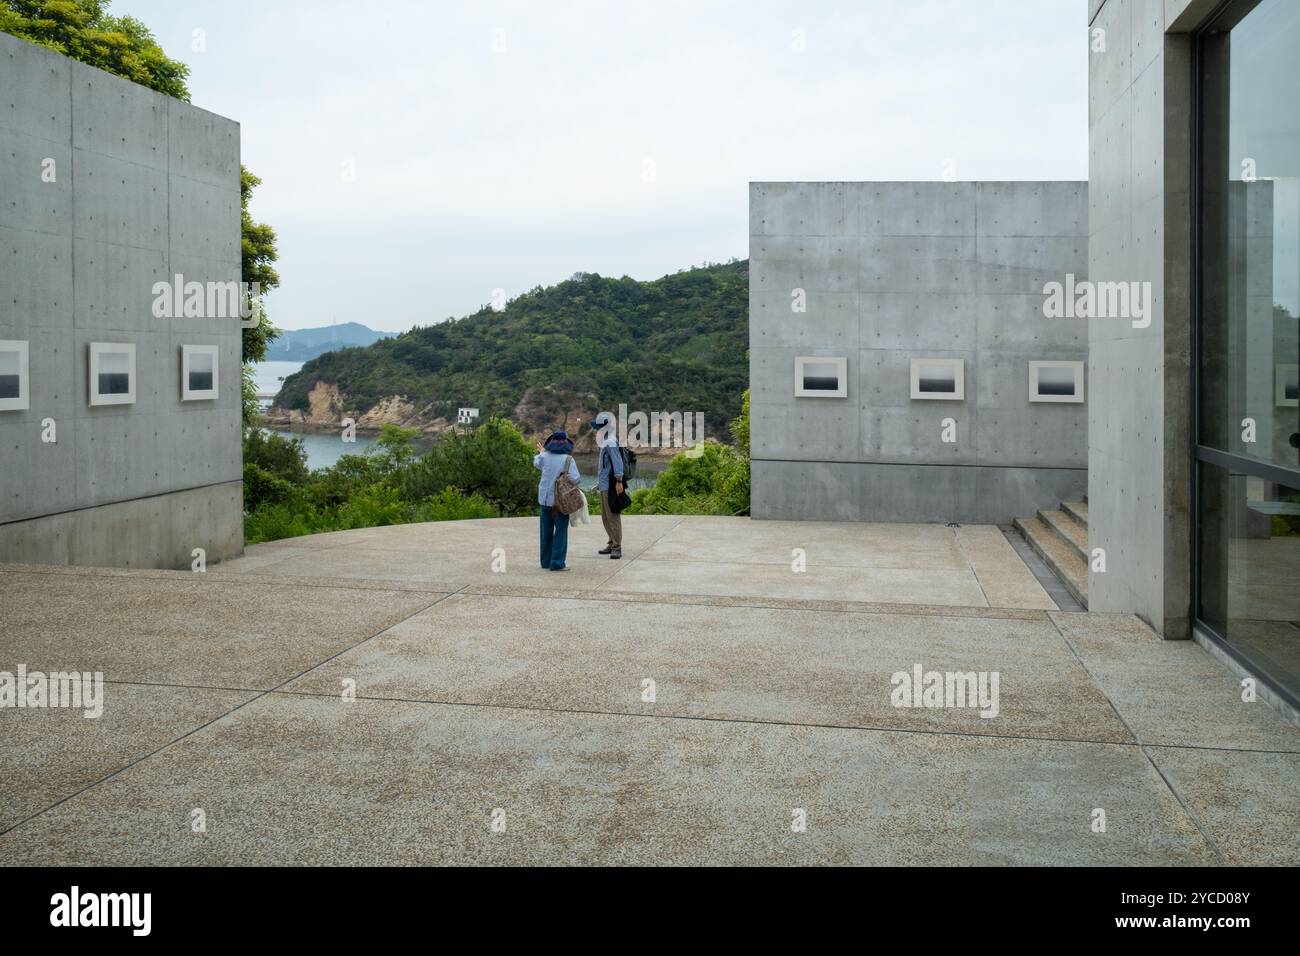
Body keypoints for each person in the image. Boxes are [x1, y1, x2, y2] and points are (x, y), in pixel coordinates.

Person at [533, 430, 581, 571]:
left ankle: (545, 561)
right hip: (561, 502)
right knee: (560, 531)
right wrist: (564, 476)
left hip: (545, 500)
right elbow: (576, 479)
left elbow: (536, 463)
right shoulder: (568, 460)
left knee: (545, 531)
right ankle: (557, 562)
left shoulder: (544, 457)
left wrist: (542, 452)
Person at [590, 413, 625, 559]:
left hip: (611, 485)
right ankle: (611, 543)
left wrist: (619, 481)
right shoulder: (605, 441)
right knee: (605, 517)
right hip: (605, 485)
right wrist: (598, 484)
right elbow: (605, 467)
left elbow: (617, 463)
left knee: (613, 516)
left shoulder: (610, 441)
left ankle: (617, 546)